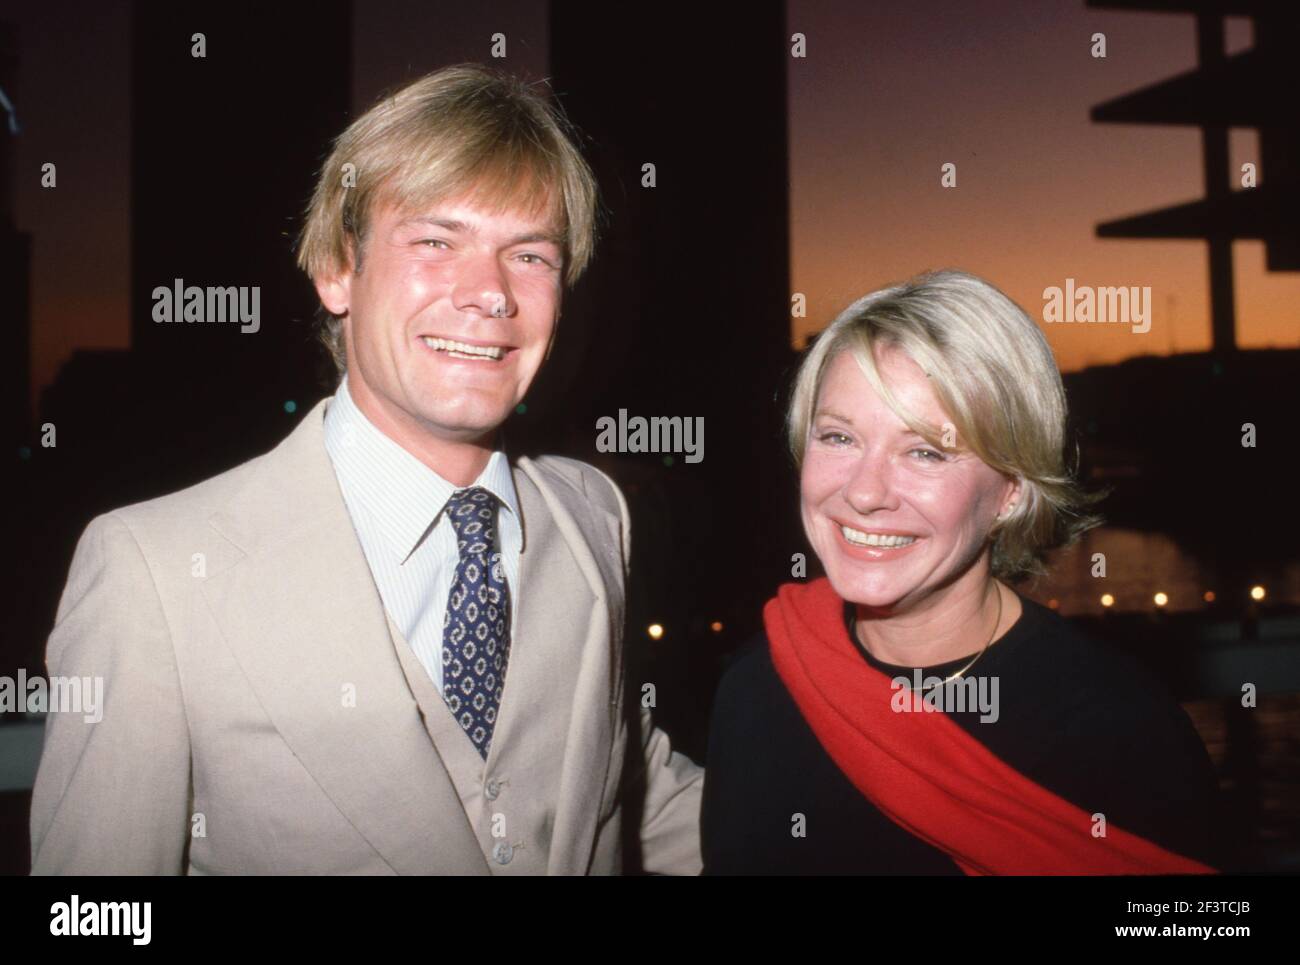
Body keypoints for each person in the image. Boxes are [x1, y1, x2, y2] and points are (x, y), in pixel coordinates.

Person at [30, 64, 703, 875]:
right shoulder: (155, 574)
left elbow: (635, 792)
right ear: (337, 271)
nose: (489, 293)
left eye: (529, 256)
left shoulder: (592, 512)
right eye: (434, 241)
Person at [700, 269, 1220, 875]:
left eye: (925, 451)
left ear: (1013, 493)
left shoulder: (1121, 730)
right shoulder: (759, 683)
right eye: (839, 437)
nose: (865, 494)